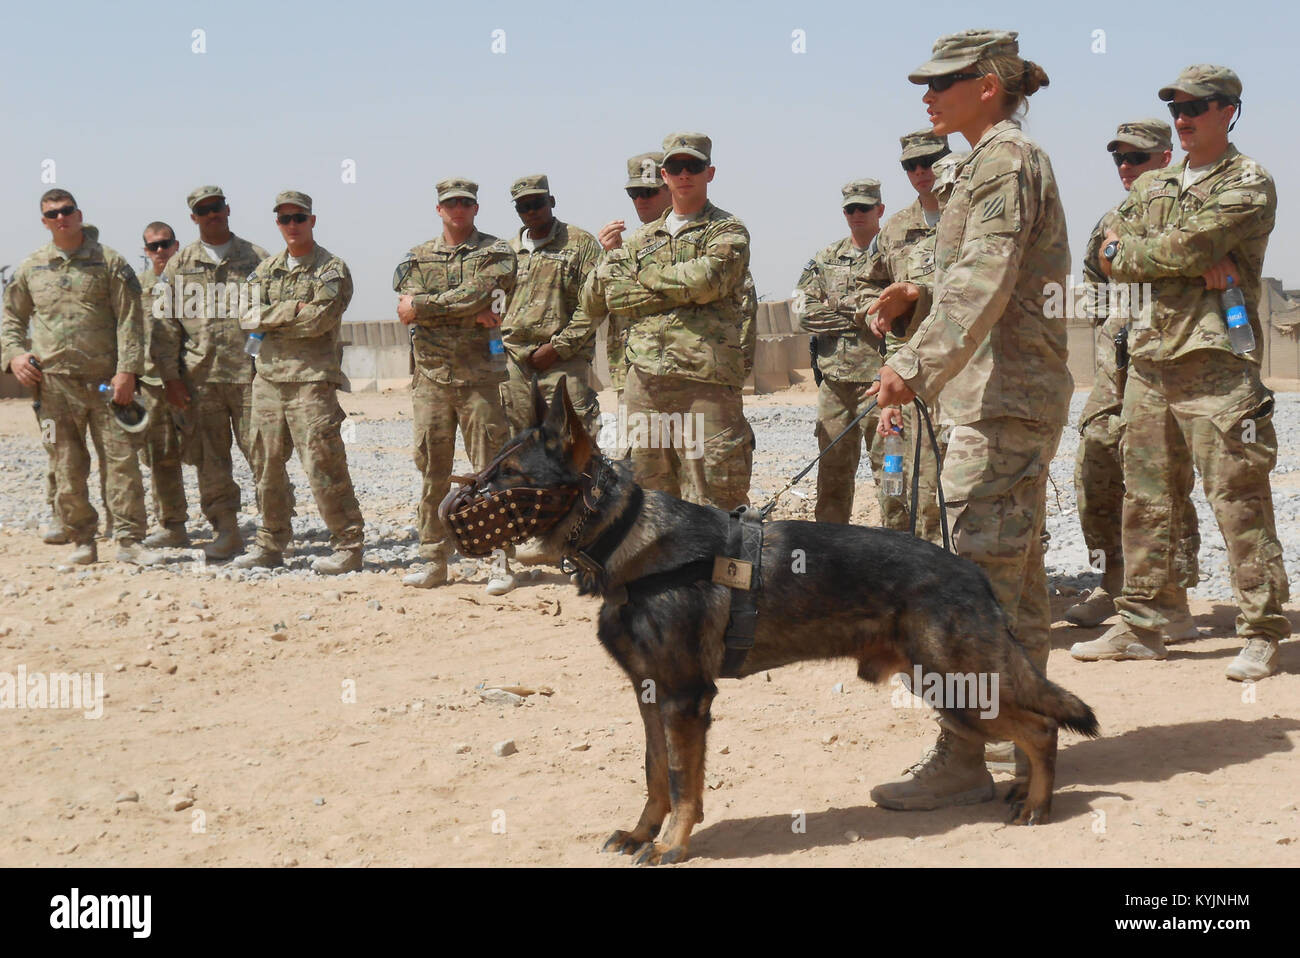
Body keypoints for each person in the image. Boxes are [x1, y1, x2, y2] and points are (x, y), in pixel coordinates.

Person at [865, 30, 1070, 810]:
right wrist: (916, 289)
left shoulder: (1005, 161)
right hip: (995, 399)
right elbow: (974, 271)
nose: (927, 95)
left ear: (988, 85)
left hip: (1001, 402)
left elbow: (986, 279)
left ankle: (966, 755)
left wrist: (912, 367)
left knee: (977, 590)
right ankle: (1025, 747)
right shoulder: (985, 163)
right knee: (1013, 585)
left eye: (942, 82)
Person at [1075, 65, 1289, 681]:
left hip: (1216, 362)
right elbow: (1103, 251)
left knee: (1237, 498)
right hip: (1147, 360)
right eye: (1175, 107)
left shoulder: (1249, 181)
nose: (1183, 117)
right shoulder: (1157, 183)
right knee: (1147, 499)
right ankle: (1146, 621)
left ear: (1230, 110)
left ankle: (1263, 628)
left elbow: (1180, 247)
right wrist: (1171, 259)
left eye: (1197, 106)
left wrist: (1152, 256)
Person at [1063, 120, 1199, 639]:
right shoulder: (1112, 220)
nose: (1125, 167)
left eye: (1136, 158)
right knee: (1096, 461)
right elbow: (1094, 282)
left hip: (1171, 360)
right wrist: (1116, 322)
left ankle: (1175, 598)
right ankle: (1114, 579)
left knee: (1164, 479)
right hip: (1117, 365)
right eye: (1118, 158)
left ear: (1164, 157)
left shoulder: (1186, 209)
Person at [580, 132, 754, 509]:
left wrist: (642, 278)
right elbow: (605, 298)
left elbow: (707, 280)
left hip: (704, 384)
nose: (684, 174)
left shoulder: (727, 231)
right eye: (676, 167)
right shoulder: (640, 239)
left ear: (710, 172)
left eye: (694, 166)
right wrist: (613, 262)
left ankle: (716, 570)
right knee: (649, 499)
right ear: (665, 174)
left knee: (716, 497)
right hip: (645, 385)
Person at [1, 189, 161, 565]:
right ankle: (82, 541)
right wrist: (14, 356)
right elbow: (10, 320)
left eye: (67, 211)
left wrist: (128, 371)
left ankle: (128, 541)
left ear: (78, 214)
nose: (61, 218)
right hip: (54, 387)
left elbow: (130, 320)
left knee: (121, 464)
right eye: (53, 214)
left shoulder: (109, 263)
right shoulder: (32, 268)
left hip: (108, 384)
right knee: (66, 466)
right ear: (44, 221)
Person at [395, 177, 518, 594]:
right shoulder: (416, 256)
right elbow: (405, 311)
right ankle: (433, 559)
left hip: (480, 379)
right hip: (431, 379)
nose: (458, 209)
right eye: (450, 204)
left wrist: (431, 307)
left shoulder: (497, 252)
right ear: (439, 209)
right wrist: (470, 313)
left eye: (465, 203)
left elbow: (483, 294)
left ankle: (501, 560)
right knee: (432, 470)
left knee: (491, 474)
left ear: (476, 208)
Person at [235, 191, 365, 575]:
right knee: (266, 467)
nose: (292, 225)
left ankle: (347, 545)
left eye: (298, 218)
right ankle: (270, 543)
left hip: (312, 382)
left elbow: (320, 321)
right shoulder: (266, 269)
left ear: (312, 220)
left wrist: (271, 317)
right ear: (277, 224)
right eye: (284, 219)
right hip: (269, 380)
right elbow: (245, 316)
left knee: (323, 465)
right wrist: (294, 309)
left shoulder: (331, 269)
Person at [154, 186, 269, 560]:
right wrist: (171, 378)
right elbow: (166, 326)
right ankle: (226, 530)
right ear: (194, 218)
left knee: (265, 456)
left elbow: (269, 320)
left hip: (250, 379)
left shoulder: (257, 259)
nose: (211, 214)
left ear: (227, 209)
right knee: (210, 460)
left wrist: (254, 358)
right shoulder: (179, 265)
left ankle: (273, 530)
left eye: (216, 207)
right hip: (199, 380)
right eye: (203, 210)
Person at [850, 132, 949, 544]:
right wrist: (876, 309)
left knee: (976, 488)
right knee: (918, 489)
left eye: (929, 160)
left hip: (973, 378)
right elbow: (863, 286)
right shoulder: (895, 230)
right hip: (912, 379)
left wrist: (916, 295)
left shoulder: (974, 217)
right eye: (911, 165)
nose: (921, 171)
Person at [795, 178, 902, 527]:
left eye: (864, 208)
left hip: (882, 384)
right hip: (836, 386)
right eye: (850, 209)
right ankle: (830, 553)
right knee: (833, 475)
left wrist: (840, 306)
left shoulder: (895, 256)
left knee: (892, 472)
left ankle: (899, 547)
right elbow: (801, 308)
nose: (856, 215)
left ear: (879, 210)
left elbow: (905, 312)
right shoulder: (827, 259)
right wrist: (857, 318)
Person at [500, 174, 602, 435]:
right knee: (522, 448)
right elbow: (495, 310)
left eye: (538, 202)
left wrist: (556, 348)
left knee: (576, 445)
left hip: (563, 362)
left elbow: (593, 306)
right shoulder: (506, 253)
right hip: (516, 367)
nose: (532, 211)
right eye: (524, 206)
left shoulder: (581, 244)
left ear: (552, 201)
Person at [596, 152, 673, 399]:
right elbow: (594, 304)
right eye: (634, 194)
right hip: (632, 376)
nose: (640, 200)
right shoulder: (627, 249)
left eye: (649, 192)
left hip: (683, 376)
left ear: (670, 186)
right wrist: (611, 256)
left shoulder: (696, 241)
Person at [136, 221, 190, 547]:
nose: (160, 251)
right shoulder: (134, 286)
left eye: (165, 244)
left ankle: (228, 526)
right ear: (145, 250)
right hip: (153, 384)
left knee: (213, 454)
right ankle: (173, 526)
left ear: (176, 245)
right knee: (161, 456)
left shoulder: (194, 283)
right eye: (153, 246)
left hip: (194, 380)